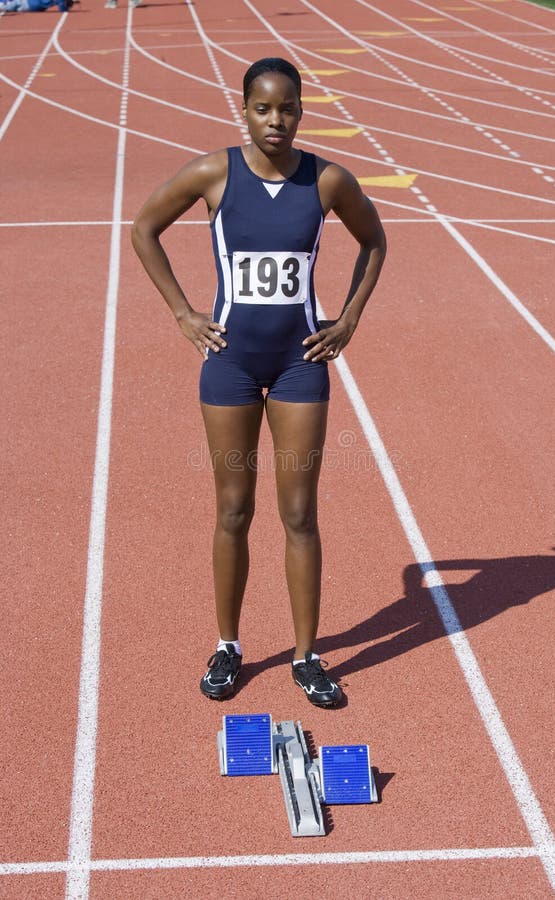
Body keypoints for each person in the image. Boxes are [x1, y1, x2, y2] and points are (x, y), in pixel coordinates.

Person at [132, 57, 386, 707]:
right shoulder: (215, 173)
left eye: (289, 108)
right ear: (243, 109)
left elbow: (374, 240)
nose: (277, 119)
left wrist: (349, 318)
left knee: (299, 513)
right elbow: (144, 229)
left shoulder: (327, 181)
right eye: (265, 108)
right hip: (232, 366)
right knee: (233, 509)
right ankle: (229, 646)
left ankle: (306, 655)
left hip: (300, 364)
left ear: (302, 111)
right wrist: (185, 314)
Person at [0, 0, 72, 11]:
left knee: (12, 7)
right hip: (29, 5)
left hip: (29, 5)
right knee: (11, 6)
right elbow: (63, 9)